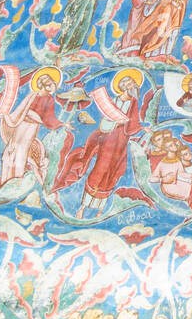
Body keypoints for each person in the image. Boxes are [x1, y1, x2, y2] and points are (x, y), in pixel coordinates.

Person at [52, 70, 143, 219]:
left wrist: (138, 127)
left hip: (121, 142)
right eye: (128, 83)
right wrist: (116, 122)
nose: (131, 85)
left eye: (132, 83)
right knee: (100, 169)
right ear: (123, 85)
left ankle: (100, 209)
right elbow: (104, 121)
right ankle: (83, 206)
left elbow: (134, 124)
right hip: (109, 138)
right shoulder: (113, 101)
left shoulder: (133, 103)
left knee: (113, 172)